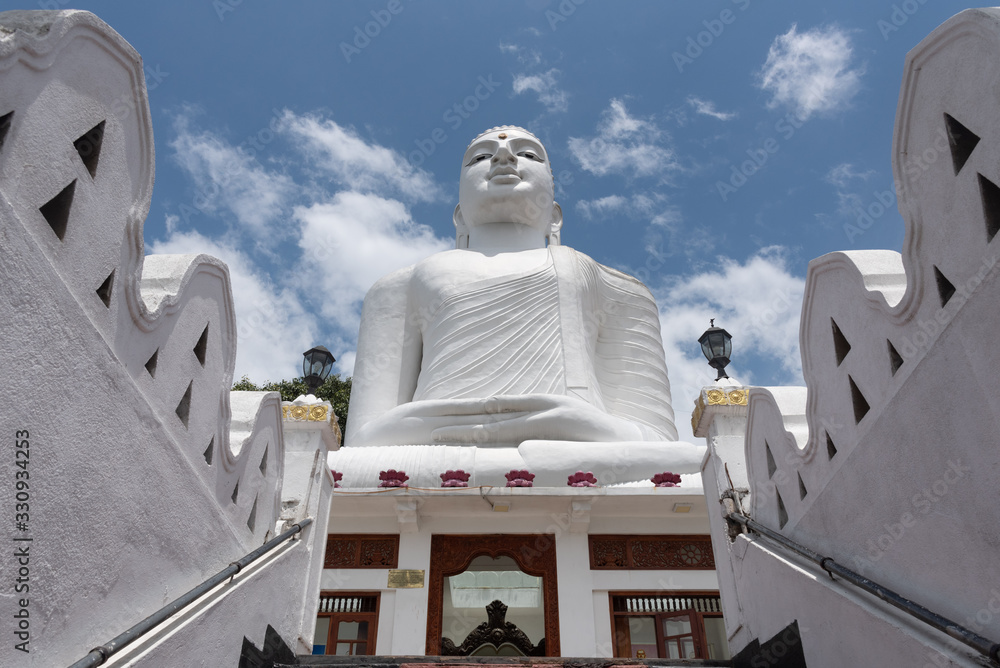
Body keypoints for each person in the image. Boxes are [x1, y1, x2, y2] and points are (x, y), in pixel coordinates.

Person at [336, 126, 702, 487]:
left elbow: (658, 443)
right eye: (480, 157)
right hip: (434, 452)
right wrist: (452, 422)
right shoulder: (400, 285)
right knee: (341, 470)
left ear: (554, 216)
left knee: (692, 465)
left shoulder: (612, 285)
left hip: (578, 447)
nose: (503, 156)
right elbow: (362, 442)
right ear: (459, 216)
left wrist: (581, 423)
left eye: (527, 153)